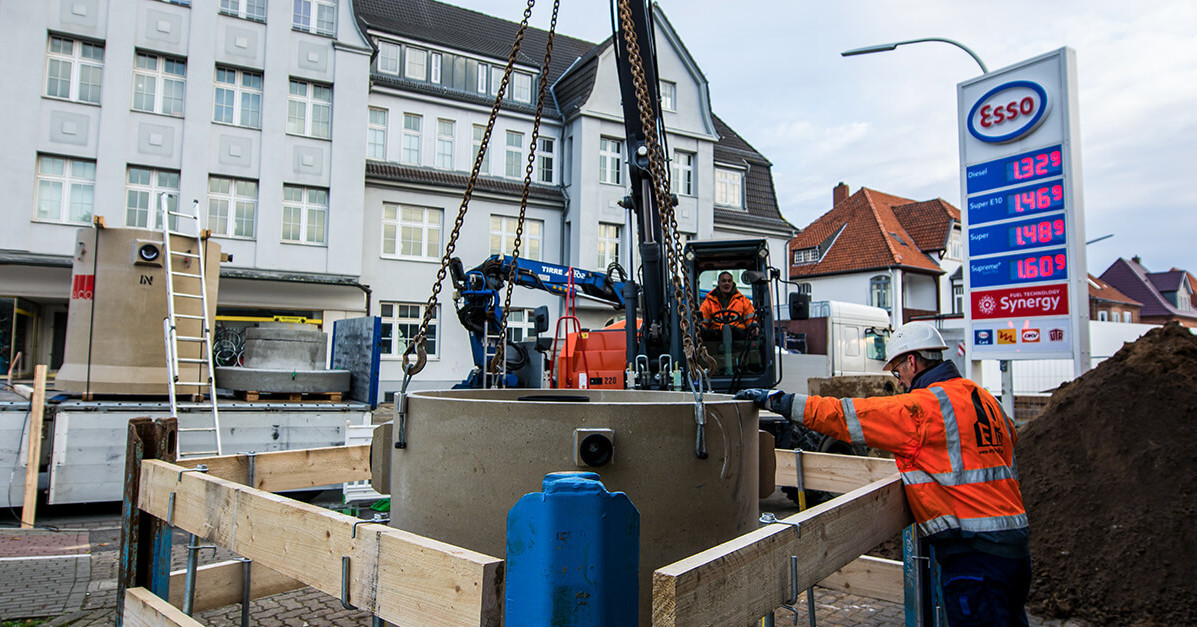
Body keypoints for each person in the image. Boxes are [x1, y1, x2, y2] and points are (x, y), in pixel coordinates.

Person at [736, 321, 1030, 626]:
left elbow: (843, 416)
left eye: (898, 370)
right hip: (1014, 549)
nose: (899, 379)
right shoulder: (984, 398)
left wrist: (777, 400)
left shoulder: (924, 407)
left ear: (912, 361)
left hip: (973, 555)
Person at [699, 271, 757, 339]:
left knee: (740, 332)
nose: (727, 283)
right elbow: (703, 323)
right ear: (718, 283)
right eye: (724, 281)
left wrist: (753, 328)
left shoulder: (743, 301)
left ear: (732, 283)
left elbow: (750, 319)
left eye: (729, 281)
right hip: (716, 337)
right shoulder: (708, 303)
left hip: (738, 337)